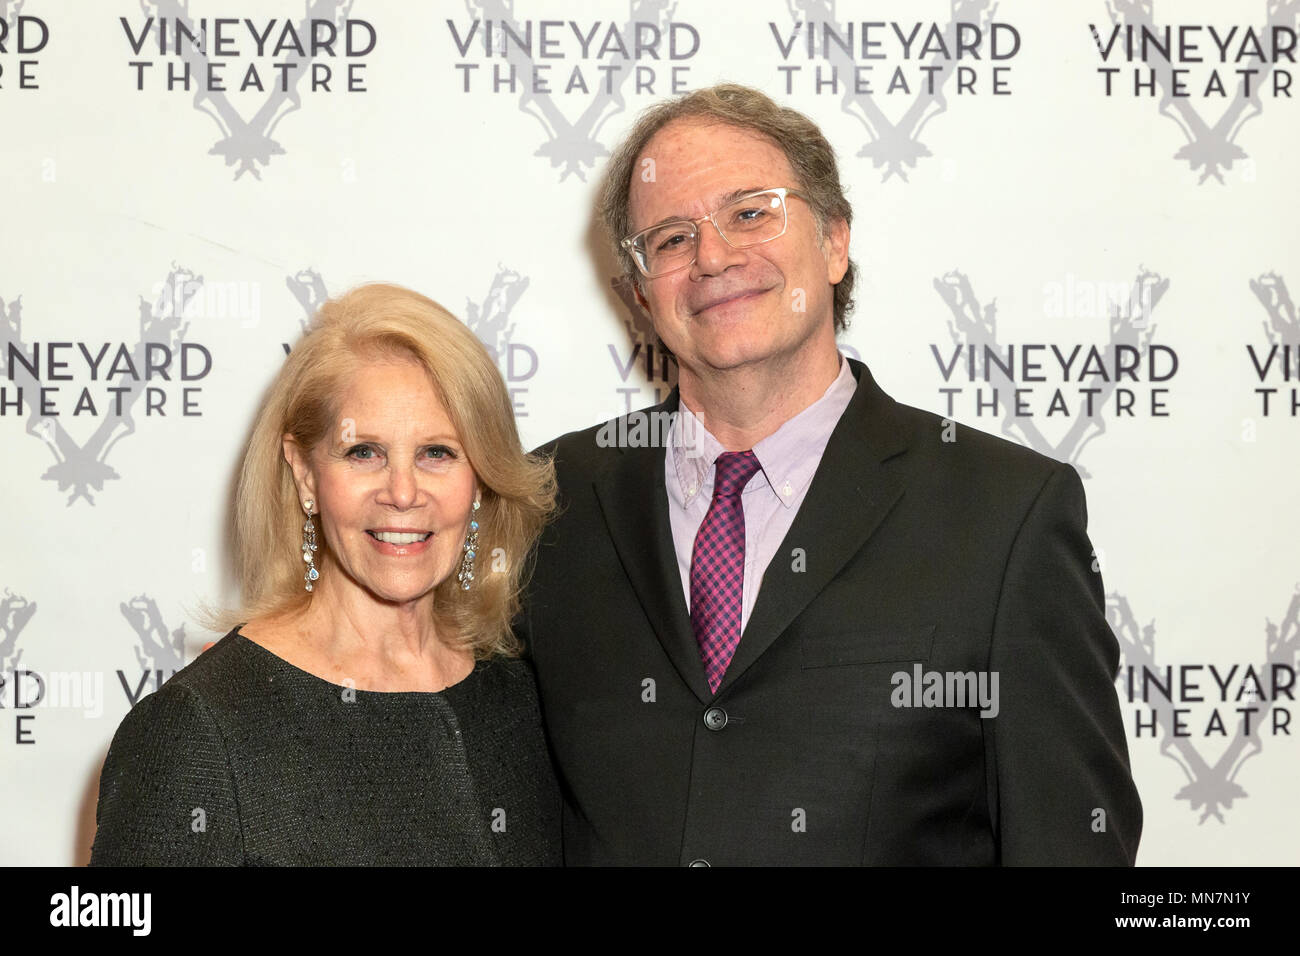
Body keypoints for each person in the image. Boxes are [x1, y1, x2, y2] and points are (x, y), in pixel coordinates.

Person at [518, 84, 1143, 865]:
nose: (713, 257)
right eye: (672, 239)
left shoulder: (1006, 515)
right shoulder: (548, 497)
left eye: (752, 213)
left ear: (836, 240)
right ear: (641, 294)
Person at [90, 283, 560, 866]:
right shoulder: (197, 733)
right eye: (363, 451)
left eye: (437, 452)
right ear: (306, 474)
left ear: (482, 479)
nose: (403, 493)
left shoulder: (521, 699)